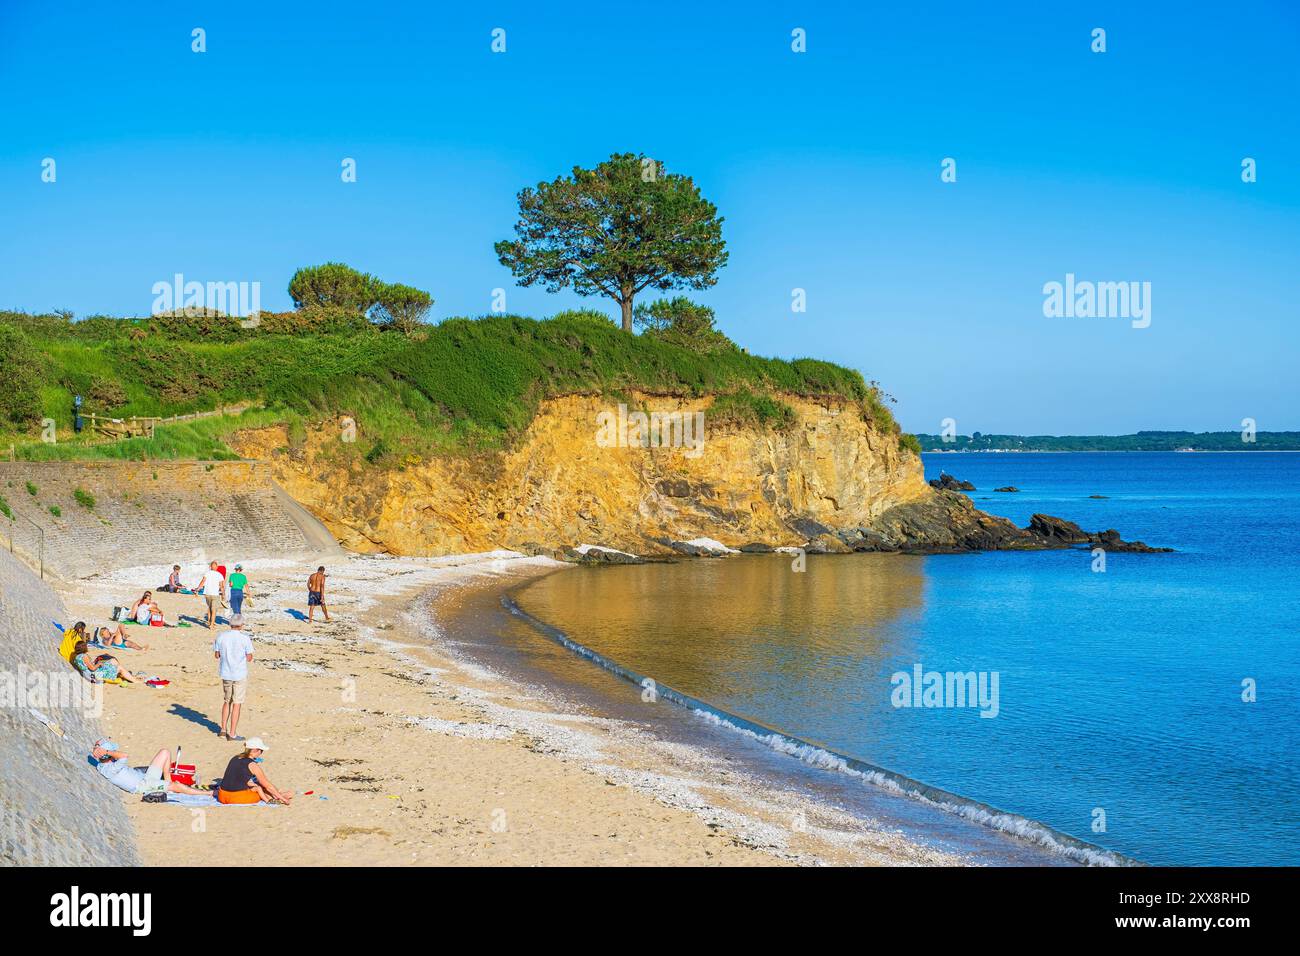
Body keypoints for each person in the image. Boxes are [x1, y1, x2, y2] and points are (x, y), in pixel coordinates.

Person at [90, 739, 208, 797]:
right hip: (144, 786)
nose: (114, 752)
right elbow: (124, 756)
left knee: (165, 752)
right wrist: (106, 751)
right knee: (177, 786)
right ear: (108, 754)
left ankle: (168, 782)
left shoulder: (103, 764)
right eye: (112, 751)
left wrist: (101, 750)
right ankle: (208, 794)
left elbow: (114, 754)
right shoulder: (109, 769)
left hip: (145, 778)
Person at [213, 614, 253, 741]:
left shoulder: (221, 636)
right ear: (241, 625)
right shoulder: (245, 638)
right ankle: (232, 733)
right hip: (239, 673)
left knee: (227, 701)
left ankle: (223, 729)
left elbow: (217, 655)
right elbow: (249, 657)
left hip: (226, 672)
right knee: (237, 703)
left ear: (230, 624)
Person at [216, 737, 292, 805]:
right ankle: (278, 797)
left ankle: (278, 795)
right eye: (261, 751)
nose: (261, 753)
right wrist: (283, 799)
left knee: (259, 787)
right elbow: (267, 785)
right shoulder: (252, 765)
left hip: (221, 796)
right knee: (262, 791)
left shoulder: (235, 757)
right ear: (256, 750)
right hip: (235, 798)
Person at [72, 641, 141, 684]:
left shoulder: (76, 657)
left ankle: (128, 676)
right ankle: (134, 680)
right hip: (94, 676)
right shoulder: (84, 656)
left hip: (88, 675)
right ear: (84, 648)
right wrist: (98, 664)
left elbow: (85, 666)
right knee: (119, 667)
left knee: (112, 661)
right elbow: (92, 668)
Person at [197, 561, 225, 630]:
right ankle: (211, 625)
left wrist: (198, 589)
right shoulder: (219, 575)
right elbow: (221, 586)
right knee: (214, 610)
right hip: (215, 594)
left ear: (210, 567)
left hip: (207, 594)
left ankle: (209, 622)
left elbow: (203, 581)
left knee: (210, 608)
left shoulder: (207, 573)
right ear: (217, 567)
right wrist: (223, 595)